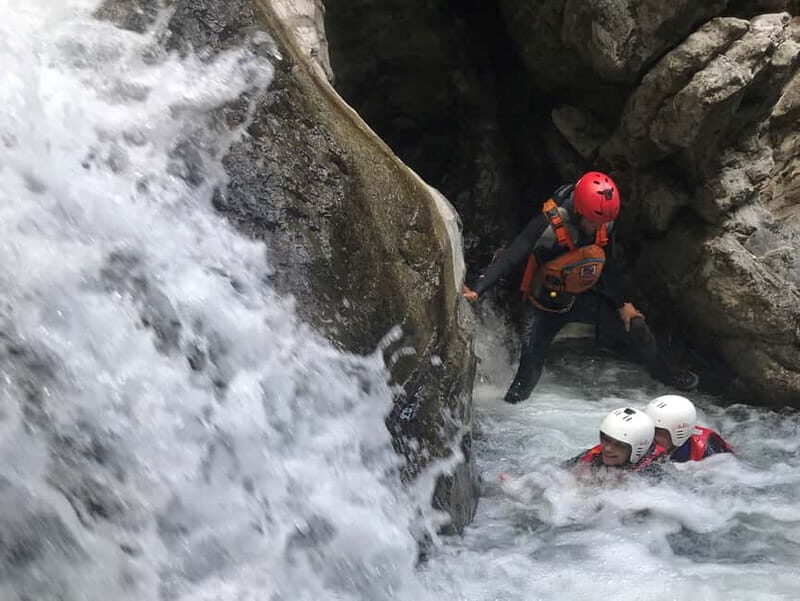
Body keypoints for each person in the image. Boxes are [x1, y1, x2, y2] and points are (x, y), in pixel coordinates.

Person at [462, 171, 698, 403]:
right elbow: (512, 255)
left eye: (603, 223)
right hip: (543, 306)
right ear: (578, 210)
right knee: (527, 378)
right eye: (593, 222)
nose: (598, 227)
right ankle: (511, 406)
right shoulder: (549, 224)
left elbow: (608, 264)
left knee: (636, 326)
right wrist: (478, 289)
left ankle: (664, 373)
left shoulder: (604, 220)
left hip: (583, 298)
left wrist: (623, 305)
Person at [565, 407, 668, 477]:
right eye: (606, 439)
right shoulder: (593, 456)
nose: (607, 448)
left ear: (637, 449)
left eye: (619, 444)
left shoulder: (653, 473)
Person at [644, 395, 734, 462]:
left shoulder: (707, 448)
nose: (650, 437)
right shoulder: (640, 440)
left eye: (657, 432)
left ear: (679, 434)